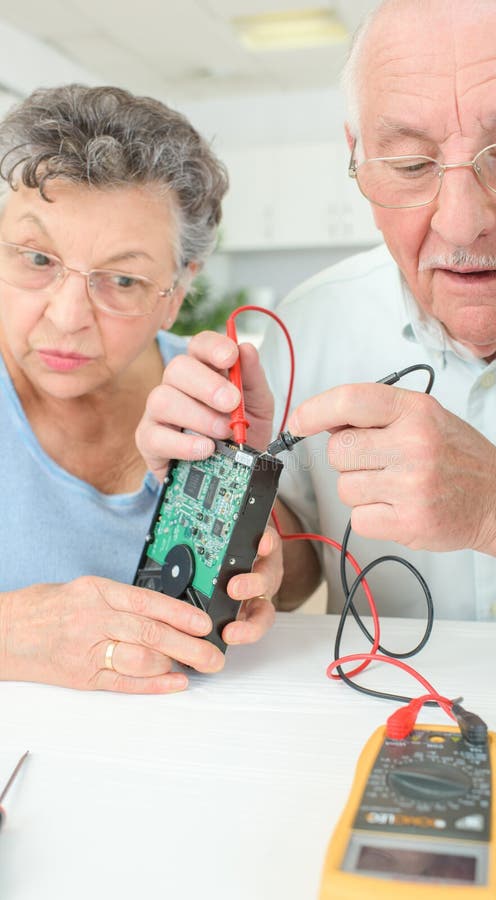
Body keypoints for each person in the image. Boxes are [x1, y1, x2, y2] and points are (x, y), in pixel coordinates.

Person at [142, 0, 496, 626]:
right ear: (358, 159)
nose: (460, 222)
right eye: (410, 165)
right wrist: (228, 511)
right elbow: (295, 575)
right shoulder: (310, 325)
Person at [0, 84, 282, 694]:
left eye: (123, 280)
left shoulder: (212, 400)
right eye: (37, 260)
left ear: (176, 294)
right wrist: (13, 630)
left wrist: (261, 565)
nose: (67, 317)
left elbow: (298, 576)